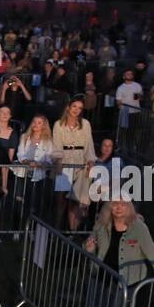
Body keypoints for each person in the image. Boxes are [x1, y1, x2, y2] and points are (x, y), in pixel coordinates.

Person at [52, 97, 96, 231]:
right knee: (61, 201)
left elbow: (89, 144)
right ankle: (57, 230)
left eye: (80, 108)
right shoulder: (58, 124)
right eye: (74, 107)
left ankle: (72, 231)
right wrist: (59, 162)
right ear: (68, 107)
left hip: (80, 163)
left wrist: (91, 161)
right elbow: (57, 145)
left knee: (75, 200)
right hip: (64, 162)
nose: (76, 110)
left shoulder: (85, 124)